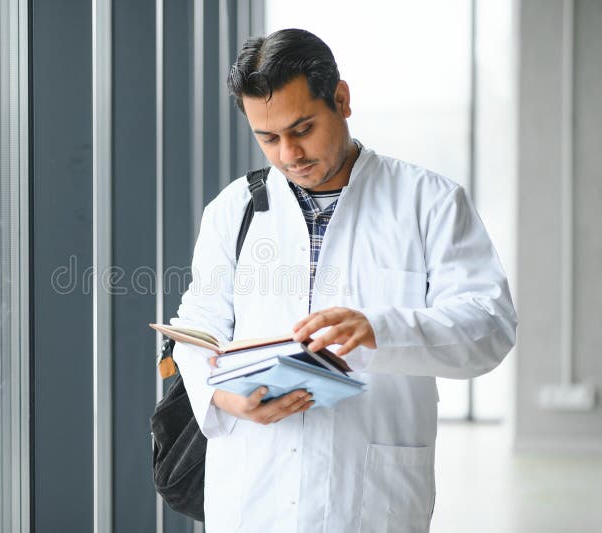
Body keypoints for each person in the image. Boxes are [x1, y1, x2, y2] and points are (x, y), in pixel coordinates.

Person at [170, 28, 516, 532]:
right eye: (268, 138)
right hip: (253, 495)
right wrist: (220, 396)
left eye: (302, 128)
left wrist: (381, 330)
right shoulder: (235, 209)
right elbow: (198, 326)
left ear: (341, 99)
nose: (289, 154)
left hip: (371, 499)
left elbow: (489, 328)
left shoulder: (428, 203)